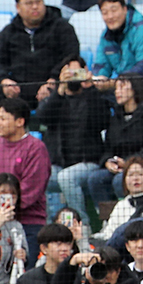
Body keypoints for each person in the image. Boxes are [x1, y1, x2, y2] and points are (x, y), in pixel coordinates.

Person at [0, 0, 79, 138]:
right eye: (29, 3)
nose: (35, 7)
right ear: (18, 7)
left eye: (38, 1)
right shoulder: (8, 32)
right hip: (20, 91)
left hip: (51, 87)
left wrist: (53, 80)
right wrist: (4, 81)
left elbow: (71, 57)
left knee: (65, 95)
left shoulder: (62, 27)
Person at [38, 56, 111, 217]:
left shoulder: (92, 97)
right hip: (60, 164)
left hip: (89, 163)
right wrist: (59, 91)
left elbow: (103, 121)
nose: (73, 75)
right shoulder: (55, 99)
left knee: (66, 177)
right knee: (37, 175)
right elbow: (43, 118)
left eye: (77, 71)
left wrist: (90, 88)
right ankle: (47, 224)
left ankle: (81, 224)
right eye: (69, 72)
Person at [0, 98, 50, 251]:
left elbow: (31, 190)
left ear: (20, 121)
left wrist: (0, 207)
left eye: (3, 119)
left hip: (28, 224)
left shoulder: (36, 148)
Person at [87, 75, 143, 205]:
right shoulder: (115, 119)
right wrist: (108, 161)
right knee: (96, 179)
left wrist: (129, 162)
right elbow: (108, 147)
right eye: (116, 88)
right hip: (120, 167)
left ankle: (131, 211)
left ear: (134, 90)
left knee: (119, 181)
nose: (117, 92)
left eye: (122, 87)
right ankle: (105, 214)